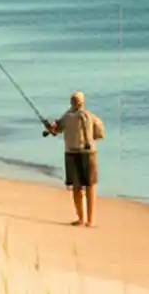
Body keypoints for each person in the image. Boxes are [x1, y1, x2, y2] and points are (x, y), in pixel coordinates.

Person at [44, 91, 105, 227]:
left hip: (73, 153)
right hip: (89, 153)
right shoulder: (90, 116)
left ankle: (83, 219)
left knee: (78, 187)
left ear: (72, 102)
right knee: (89, 187)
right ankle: (89, 220)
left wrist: (50, 127)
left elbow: (55, 130)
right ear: (82, 102)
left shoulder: (67, 117)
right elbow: (100, 133)